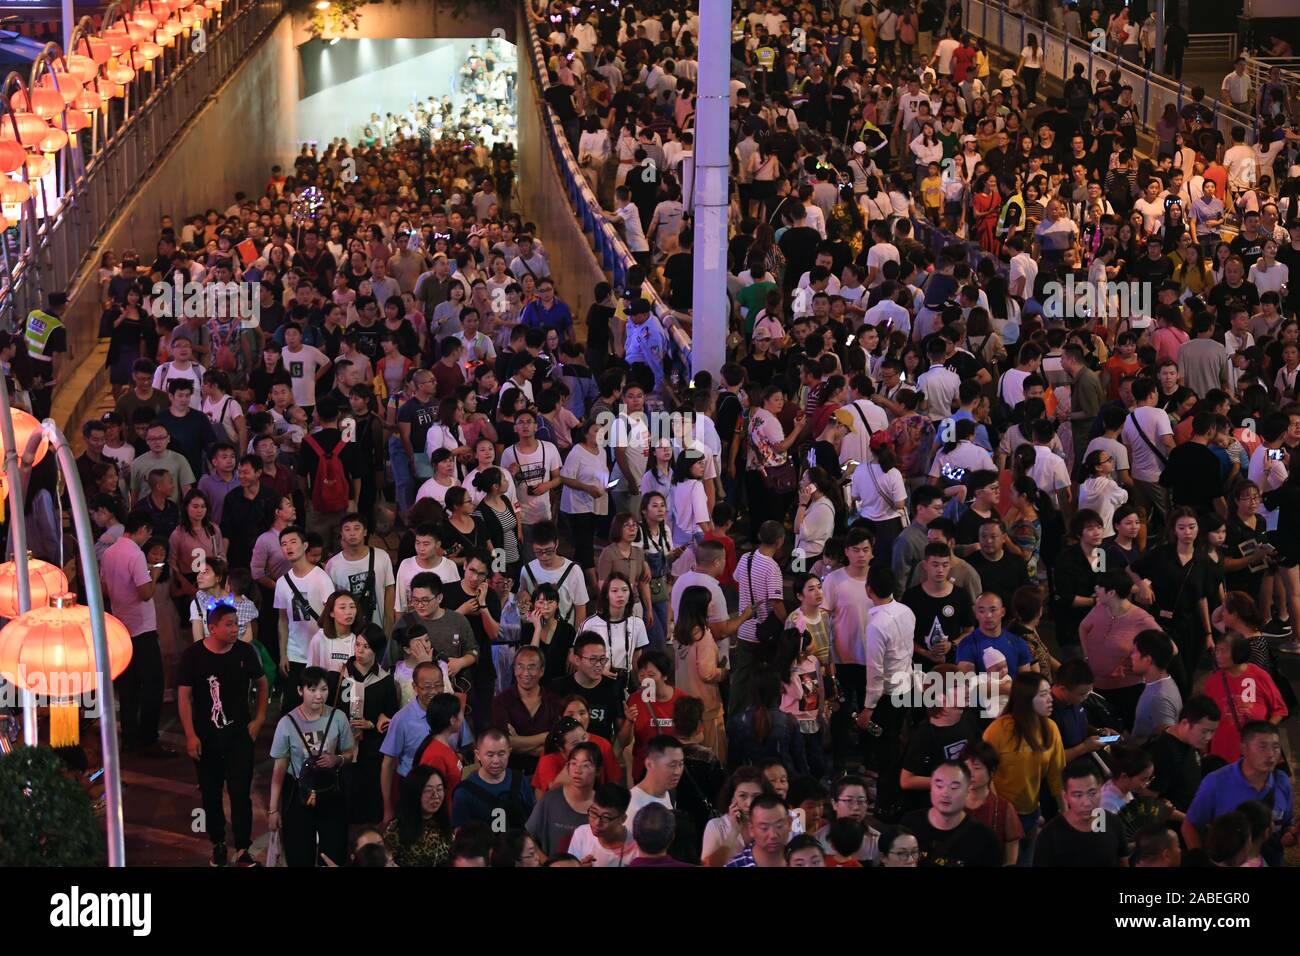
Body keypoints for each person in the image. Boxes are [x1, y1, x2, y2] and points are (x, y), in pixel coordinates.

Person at [176, 604, 268, 867]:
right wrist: (190, 736)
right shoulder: (193, 656)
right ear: (212, 627)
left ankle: (242, 848)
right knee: (211, 793)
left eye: (236, 623)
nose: (234, 628)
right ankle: (217, 843)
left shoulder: (245, 652)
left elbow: (262, 684)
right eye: (228, 624)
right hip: (206, 737)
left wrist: (259, 718)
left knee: (240, 792)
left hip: (239, 735)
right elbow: (184, 697)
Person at [268, 667, 357, 867]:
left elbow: (350, 753)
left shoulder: (338, 717)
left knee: (334, 851)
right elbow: (279, 769)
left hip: (331, 792)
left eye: (324, 689)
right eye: (312, 689)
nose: (319, 695)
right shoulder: (287, 723)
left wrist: (337, 760)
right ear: (300, 691)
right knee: (299, 852)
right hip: (298, 793)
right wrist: (273, 810)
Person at [102, 511, 171, 757]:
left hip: (121, 626)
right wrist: (154, 576)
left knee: (128, 686)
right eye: (148, 533)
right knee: (153, 683)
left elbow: (104, 588)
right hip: (141, 628)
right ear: (141, 529)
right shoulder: (135, 554)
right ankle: (148, 738)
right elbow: (145, 593)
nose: (147, 538)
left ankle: (129, 738)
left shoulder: (109, 553)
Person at [982, 672, 1065, 866]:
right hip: (1001, 815)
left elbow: (1056, 774)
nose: (1050, 699)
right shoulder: (998, 730)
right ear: (1026, 699)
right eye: (1043, 694)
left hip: (1032, 812)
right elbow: (985, 774)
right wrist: (998, 811)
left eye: (1049, 692)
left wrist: (1065, 809)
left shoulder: (1051, 728)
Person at [1183, 721, 1293, 865]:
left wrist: (1290, 834)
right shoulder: (1216, 782)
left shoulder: (1282, 781)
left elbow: (1287, 822)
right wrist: (1201, 861)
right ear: (1243, 748)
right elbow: (1189, 825)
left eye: (1276, 747)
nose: (1271, 754)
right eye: (1262, 747)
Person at [272, 525, 336, 713]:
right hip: (295, 652)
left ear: (305, 545)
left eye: (293, 542)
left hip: (319, 650)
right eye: (284, 544)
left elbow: (331, 615)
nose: (288, 547)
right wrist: (283, 653)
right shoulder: (282, 582)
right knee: (293, 705)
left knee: (320, 703)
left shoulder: (321, 577)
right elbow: (283, 620)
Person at [1204, 631, 1288, 764]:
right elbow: (1206, 717)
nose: (1218, 656)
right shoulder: (1212, 681)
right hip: (1222, 754)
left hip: (1254, 756)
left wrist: (1262, 734)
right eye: (1217, 651)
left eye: (1223, 651)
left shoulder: (1259, 676)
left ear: (1239, 653)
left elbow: (1279, 710)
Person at [1033, 760, 1130, 866]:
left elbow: (1123, 862)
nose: (1087, 803)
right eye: (1078, 795)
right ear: (1066, 797)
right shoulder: (1050, 835)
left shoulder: (1113, 823)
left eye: (1092, 793)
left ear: (1100, 790)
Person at [450, 727, 536, 831]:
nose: (496, 761)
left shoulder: (520, 780)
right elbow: (460, 835)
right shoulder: (464, 792)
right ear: (478, 755)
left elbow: (533, 823)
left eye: (501, 754)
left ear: (509, 752)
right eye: (490, 755)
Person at [526, 740, 600, 857]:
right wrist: (547, 863)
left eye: (585, 765)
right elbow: (529, 837)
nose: (578, 770)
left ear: (598, 770)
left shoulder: (601, 805)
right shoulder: (550, 799)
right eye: (573, 763)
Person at [383, 765, 452, 866]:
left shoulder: (443, 822)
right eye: (428, 790)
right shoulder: (396, 829)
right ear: (415, 793)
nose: (436, 796)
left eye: (439, 789)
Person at [567, 783, 641, 866]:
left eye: (605, 818)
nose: (597, 823)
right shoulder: (582, 835)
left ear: (622, 819)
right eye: (594, 813)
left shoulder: (637, 848)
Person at [1130, 629, 1183, 743]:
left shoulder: (1160, 698)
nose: (1131, 656)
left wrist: (1132, 745)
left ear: (1148, 659)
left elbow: (1165, 741)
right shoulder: (1162, 682)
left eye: (1135, 652)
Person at [724, 792, 791, 867]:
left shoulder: (802, 859)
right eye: (764, 828)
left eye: (779, 826)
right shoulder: (736, 865)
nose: (773, 835)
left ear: (789, 823)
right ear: (751, 828)